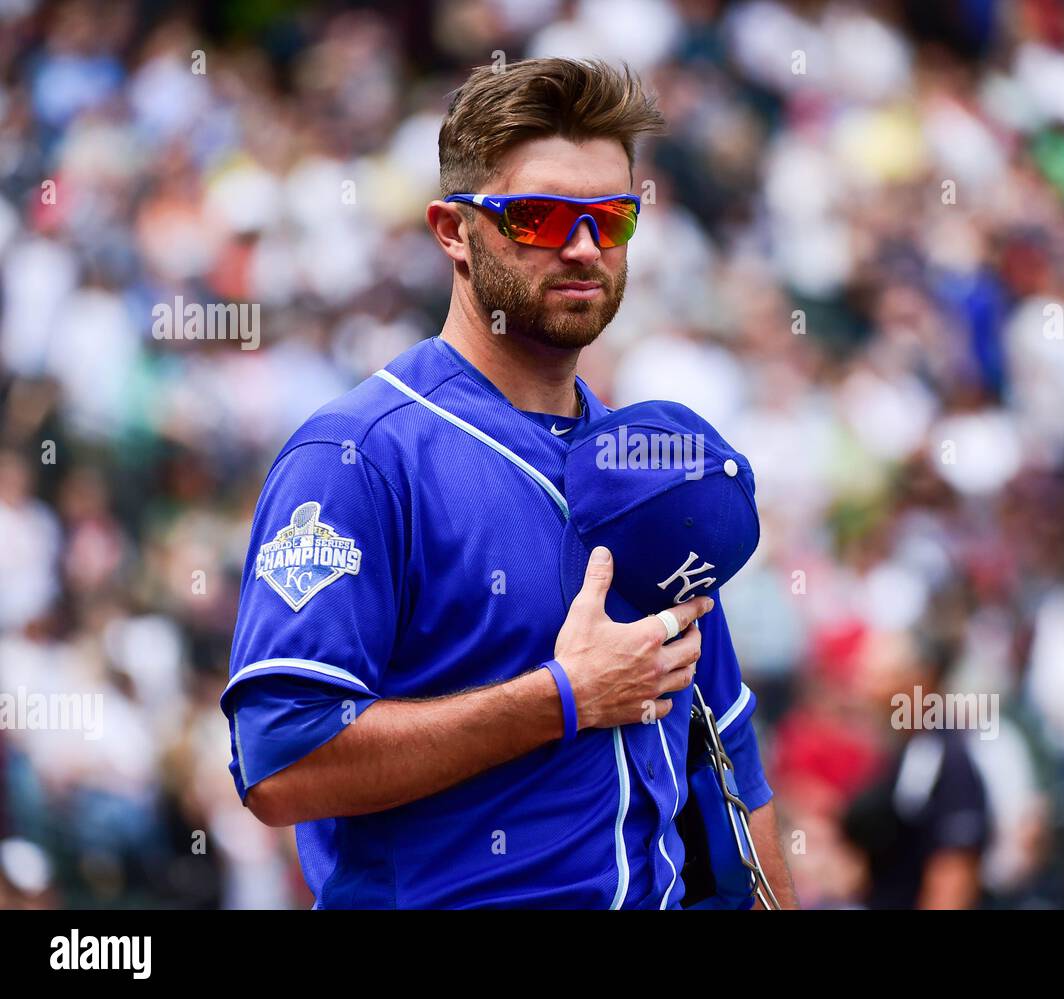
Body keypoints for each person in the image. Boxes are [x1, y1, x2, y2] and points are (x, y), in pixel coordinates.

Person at [219, 57, 797, 909]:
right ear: (452, 230)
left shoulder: (656, 468)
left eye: (611, 217)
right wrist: (561, 698)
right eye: (538, 217)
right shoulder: (360, 455)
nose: (582, 246)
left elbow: (732, 774)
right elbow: (280, 760)